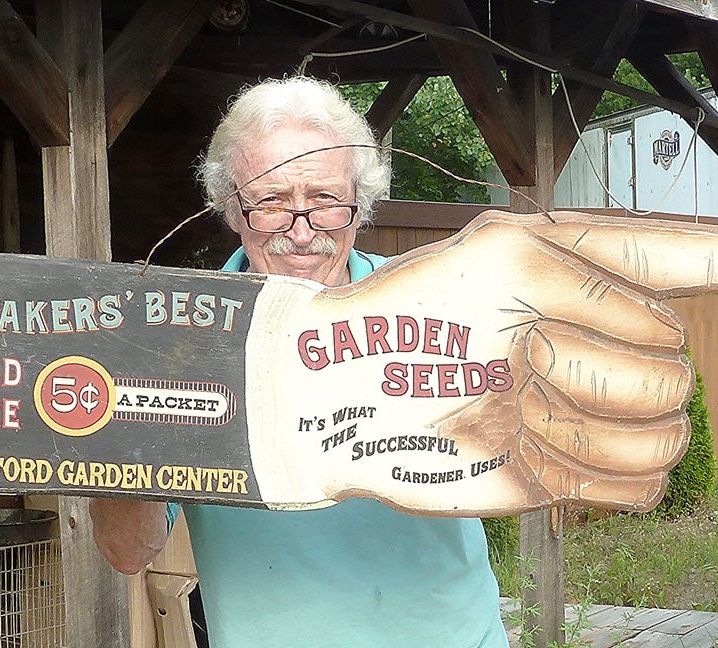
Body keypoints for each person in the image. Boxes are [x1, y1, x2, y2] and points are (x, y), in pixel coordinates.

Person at [90, 76, 509, 648]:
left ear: (360, 206)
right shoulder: (177, 340)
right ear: (230, 209)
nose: (302, 231)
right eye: (272, 203)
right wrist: (122, 424)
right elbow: (126, 552)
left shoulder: (438, 306)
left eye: (326, 201)